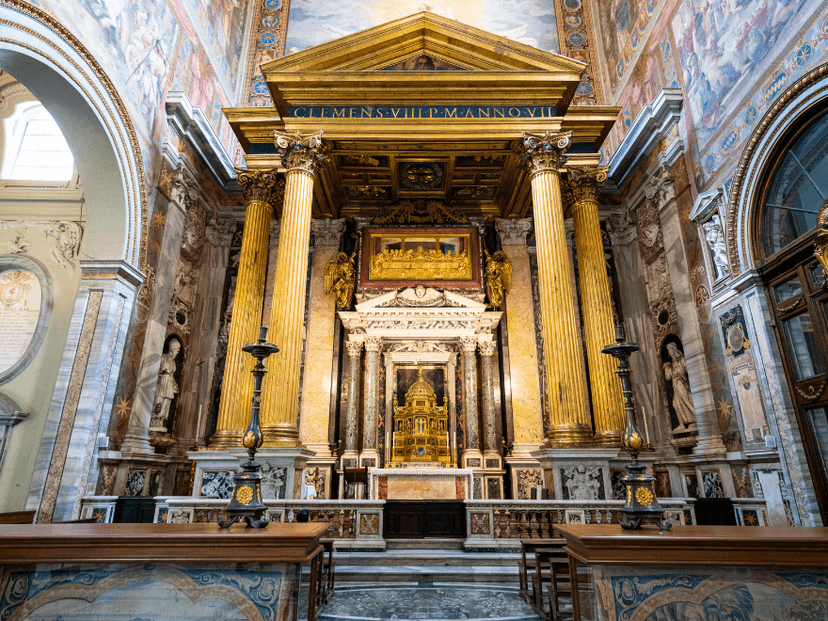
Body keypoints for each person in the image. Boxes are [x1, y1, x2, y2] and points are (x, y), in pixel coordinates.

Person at [663, 342, 697, 432]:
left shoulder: (682, 359)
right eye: (668, 351)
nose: (669, 352)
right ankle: (682, 423)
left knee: (686, 401)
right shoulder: (671, 363)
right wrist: (667, 368)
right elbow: (668, 377)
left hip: (681, 384)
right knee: (675, 403)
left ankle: (694, 421)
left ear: (674, 349)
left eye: (669, 350)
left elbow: (690, 371)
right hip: (675, 385)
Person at [151, 338, 181, 429]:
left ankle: (161, 422)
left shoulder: (173, 362)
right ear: (172, 350)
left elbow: (171, 375)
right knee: (158, 400)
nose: (178, 352)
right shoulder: (163, 357)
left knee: (166, 403)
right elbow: (153, 371)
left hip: (168, 385)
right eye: (177, 350)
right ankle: (153, 422)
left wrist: (175, 385)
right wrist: (161, 370)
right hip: (161, 383)